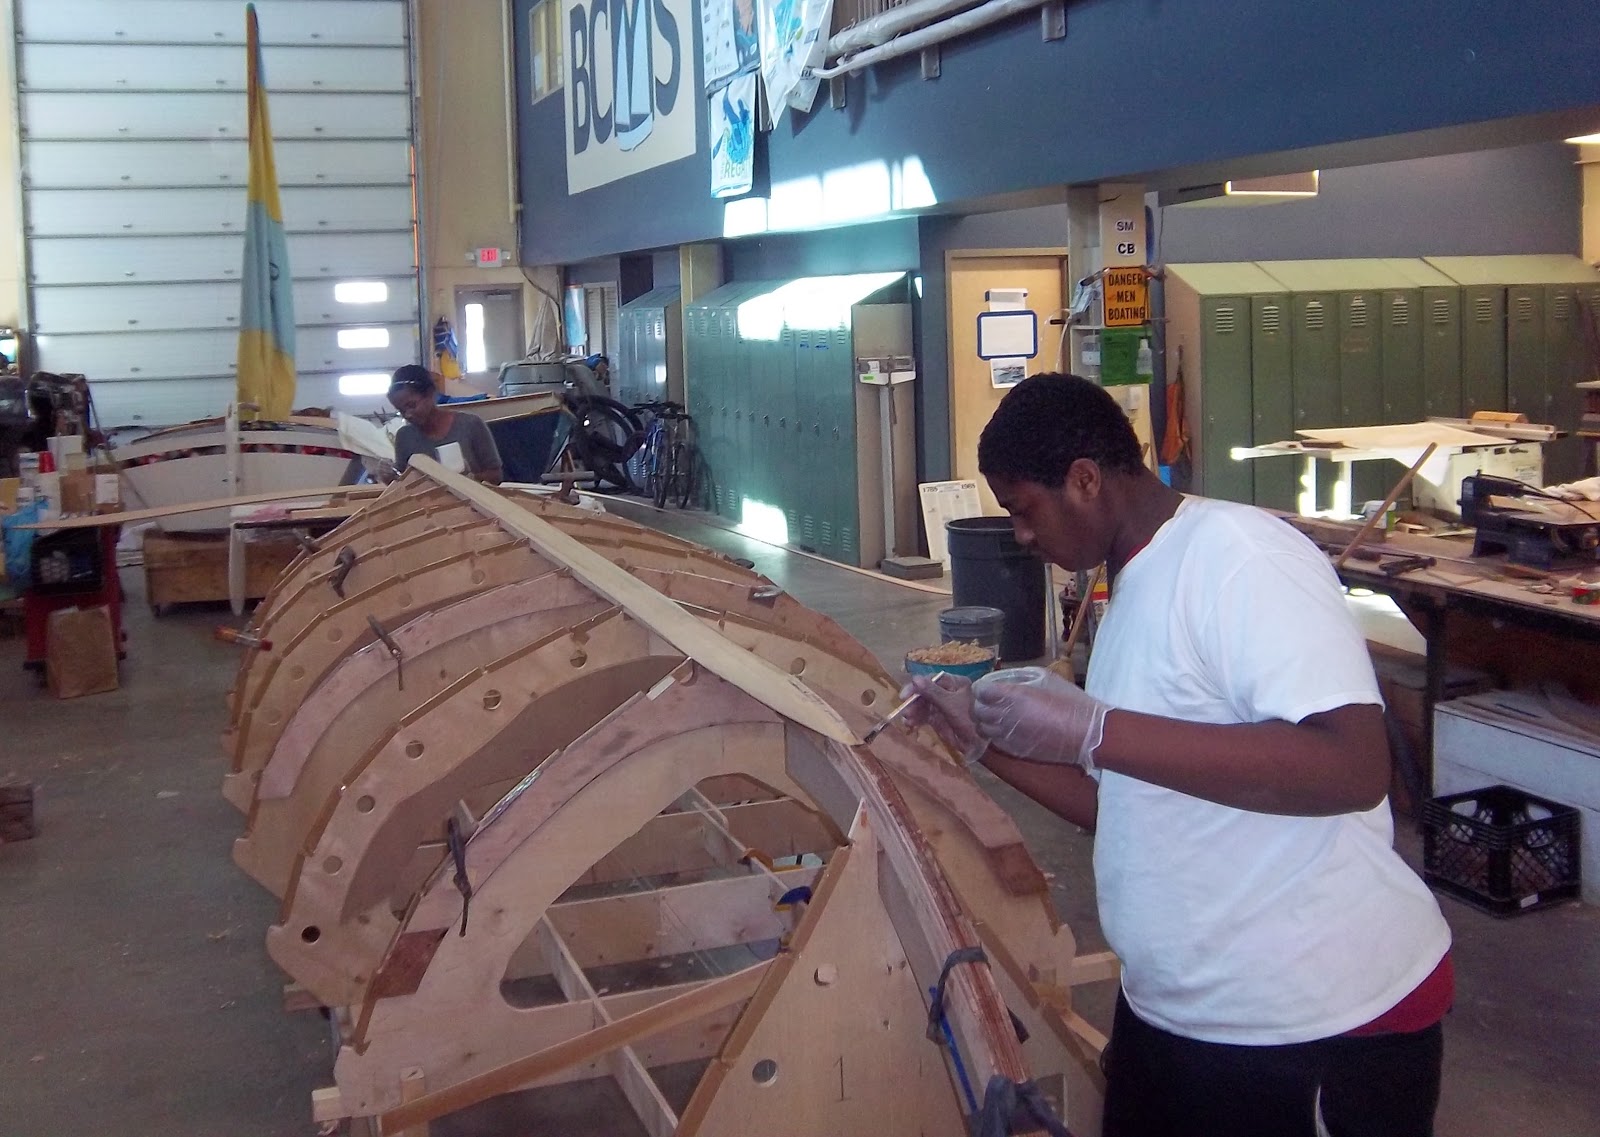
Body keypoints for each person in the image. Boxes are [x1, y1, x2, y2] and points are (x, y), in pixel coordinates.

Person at [907, 373, 1453, 1137]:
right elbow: (1126, 805)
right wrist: (983, 743)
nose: (1023, 538)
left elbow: (1353, 766)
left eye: (1023, 511)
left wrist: (1095, 729)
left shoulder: (1237, 556)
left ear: (1086, 480)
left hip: (1312, 1021)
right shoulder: (1128, 586)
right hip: (1178, 1012)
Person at [386, 365, 503, 485]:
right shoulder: (405, 436)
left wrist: (471, 479)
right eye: (401, 411)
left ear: (430, 393)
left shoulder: (470, 425)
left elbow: (496, 476)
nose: (408, 415)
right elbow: (401, 482)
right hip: (426, 503)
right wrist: (389, 478)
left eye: (412, 405)